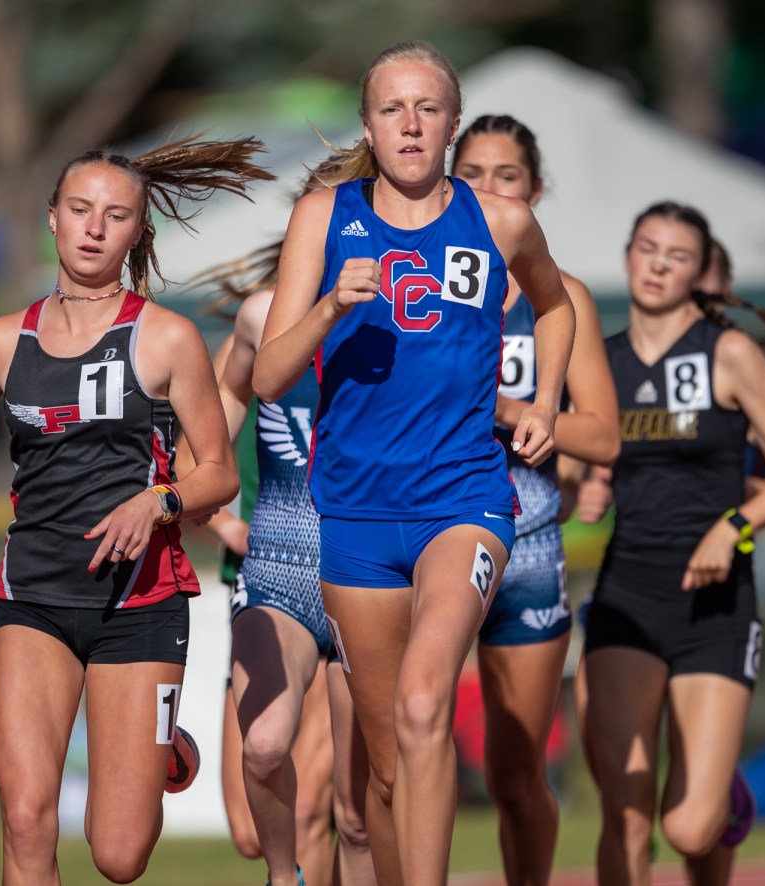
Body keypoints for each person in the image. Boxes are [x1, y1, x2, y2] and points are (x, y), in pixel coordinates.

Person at [253, 41, 577, 886]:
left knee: (428, 702)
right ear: (368, 124)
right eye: (391, 109)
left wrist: (542, 406)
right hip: (354, 518)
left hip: (463, 504)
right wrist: (331, 304)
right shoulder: (324, 217)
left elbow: (555, 304)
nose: (409, 124)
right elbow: (268, 375)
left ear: (450, 123)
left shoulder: (497, 220)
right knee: (391, 772)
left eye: (426, 108)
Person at [0, 136, 270, 885]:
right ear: (52, 217)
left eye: (114, 216)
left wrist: (159, 501)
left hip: (138, 607)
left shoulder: (167, 338)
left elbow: (216, 475)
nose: (93, 227)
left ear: (137, 233)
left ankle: (158, 748)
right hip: (32, 599)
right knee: (24, 817)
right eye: (79, 209)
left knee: (117, 856)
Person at [581, 202, 765, 886]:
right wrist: (580, 486)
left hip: (716, 608)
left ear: (699, 272)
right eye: (648, 248)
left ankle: (721, 791)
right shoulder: (601, 362)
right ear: (628, 255)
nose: (659, 263)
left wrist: (734, 526)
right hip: (627, 596)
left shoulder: (730, 354)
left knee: (689, 828)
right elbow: (576, 460)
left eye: (678, 255)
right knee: (624, 810)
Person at [450, 113, 619, 886]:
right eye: (474, 174)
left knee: (515, 775)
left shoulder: (563, 299)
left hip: (530, 548)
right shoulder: (418, 277)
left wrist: (516, 411)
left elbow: (605, 437)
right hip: (427, 538)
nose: (489, 189)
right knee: (397, 751)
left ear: (535, 191)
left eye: (506, 176)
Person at [195, 172, 376, 885]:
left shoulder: (409, 323)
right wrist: (222, 522)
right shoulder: (258, 320)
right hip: (276, 565)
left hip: (372, 571)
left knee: (353, 815)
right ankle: (285, 875)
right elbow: (200, 448)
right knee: (259, 777)